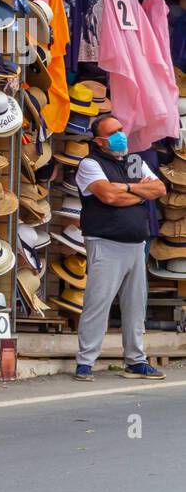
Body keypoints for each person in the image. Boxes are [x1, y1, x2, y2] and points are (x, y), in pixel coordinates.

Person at [73, 115, 166, 381]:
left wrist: (126, 187)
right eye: (114, 132)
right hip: (105, 242)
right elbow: (108, 196)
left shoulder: (135, 161)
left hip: (136, 243)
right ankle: (85, 362)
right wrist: (139, 194)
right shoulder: (90, 164)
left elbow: (158, 188)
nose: (121, 135)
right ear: (100, 141)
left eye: (121, 129)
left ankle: (136, 361)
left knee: (136, 306)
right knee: (97, 303)